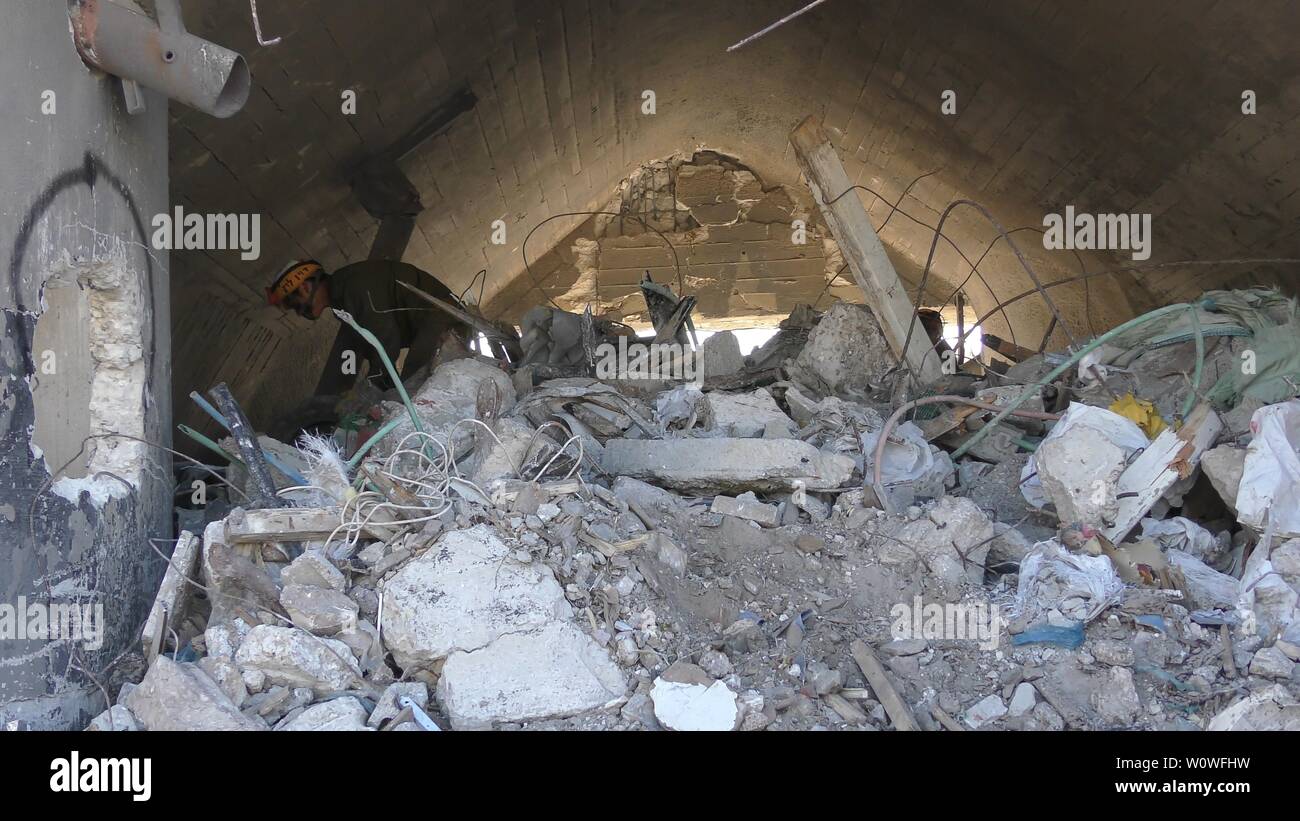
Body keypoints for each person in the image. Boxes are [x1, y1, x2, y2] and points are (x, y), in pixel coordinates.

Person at [266, 259, 471, 396]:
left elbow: (387, 341)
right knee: (412, 388)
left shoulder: (353, 287)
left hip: (443, 322)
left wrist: (373, 385)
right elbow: (374, 346)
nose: (299, 312)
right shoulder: (342, 297)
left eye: (295, 304)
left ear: (305, 287)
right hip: (438, 324)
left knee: (416, 387)